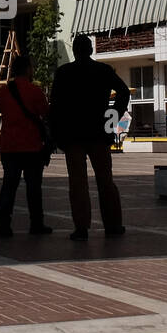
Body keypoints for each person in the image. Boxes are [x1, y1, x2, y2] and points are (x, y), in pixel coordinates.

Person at [50, 34, 130, 241]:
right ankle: (113, 224)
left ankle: (81, 227)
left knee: (77, 183)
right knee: (105, 181)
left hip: (73, 135)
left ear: (75, 51)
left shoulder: (64, 72)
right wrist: (112, 119)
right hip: (99, 134)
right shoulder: (103, 71)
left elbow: (55, 106)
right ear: (90, 50)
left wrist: (57, 133)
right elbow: (123, 92)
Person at [0, 55, 52, 237]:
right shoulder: (35, 91)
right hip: (31, 147)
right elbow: (45, 113)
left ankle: (3, 223)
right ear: (28, 69)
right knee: (33, 188)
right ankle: (36, 224)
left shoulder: (3, 92)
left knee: (8, 186)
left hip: (9, 146)